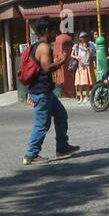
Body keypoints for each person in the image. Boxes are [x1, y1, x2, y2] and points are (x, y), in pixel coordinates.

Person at [23, 19, 79, 165]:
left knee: (61, 115)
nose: (57, 33)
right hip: (41, 92)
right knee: (42, 124)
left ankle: (62, 146)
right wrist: (62, 61)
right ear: (47, 30)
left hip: (45, 91)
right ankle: (31, 154)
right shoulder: (44, 47)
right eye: (54, 30)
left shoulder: (37, 46)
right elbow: (47, 68)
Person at [52, 25, 75, 100]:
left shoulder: (58, 39)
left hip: (61, 62)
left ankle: (66, 92)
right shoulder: (67, 39)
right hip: (63, 62)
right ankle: (69, 92)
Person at [72, 32, 95, 101]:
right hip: (80, 65)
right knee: (79, 82)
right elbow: (71, 55)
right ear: (80, 38)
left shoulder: (89, 45)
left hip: (87, 64)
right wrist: (77, 58)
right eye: (82, 37)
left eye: (85, 37)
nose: (84, 39)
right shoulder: (76, 46)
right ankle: (81, 96)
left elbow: (91, 55)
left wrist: (88, 51)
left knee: (87, 81)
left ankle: (87, 95)